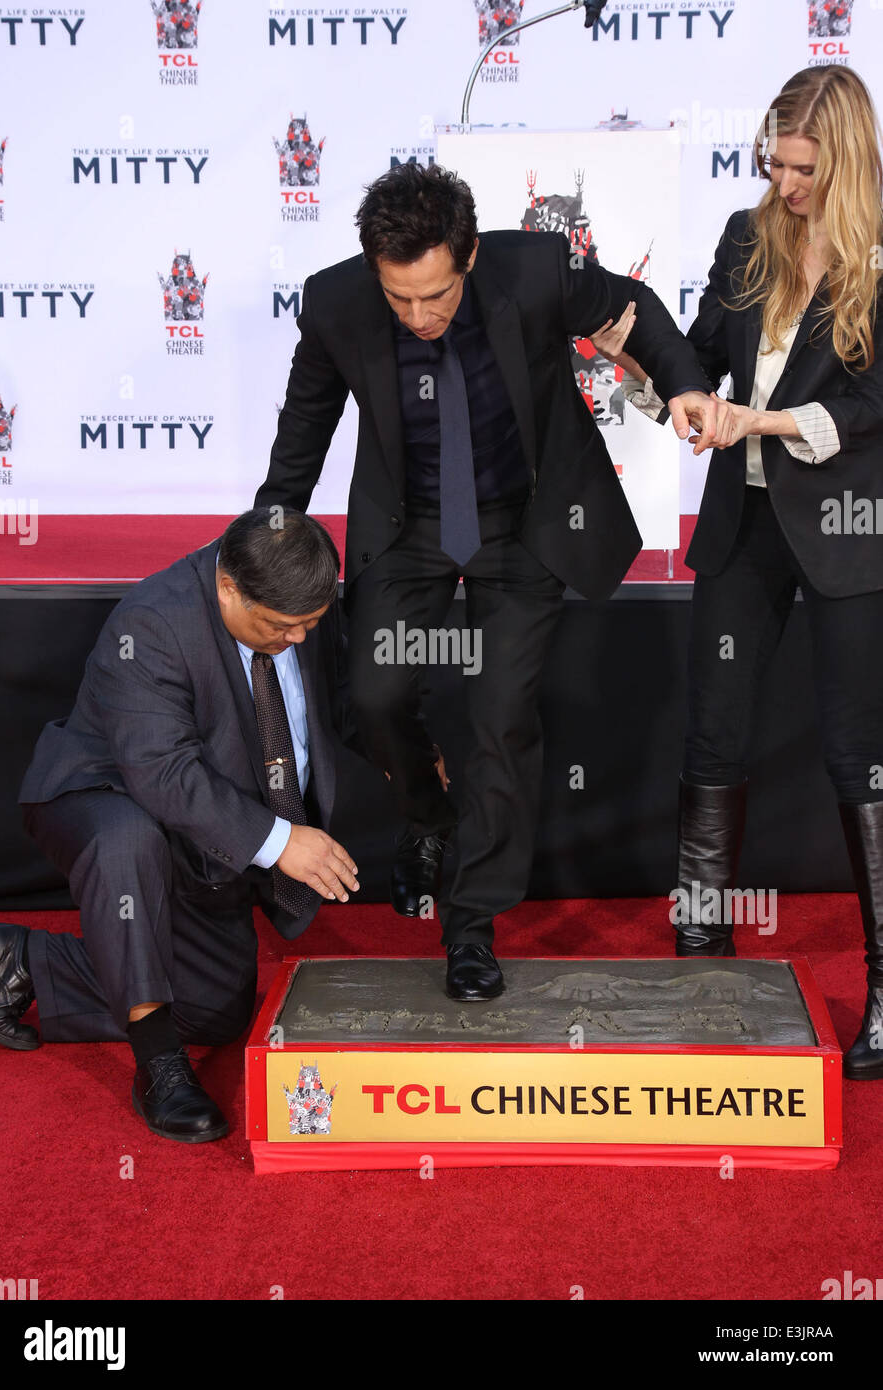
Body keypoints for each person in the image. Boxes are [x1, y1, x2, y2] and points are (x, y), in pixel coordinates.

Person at [255, 162, 719, 1002]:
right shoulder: (335, 305)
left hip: (527, 522)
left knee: (502, 718)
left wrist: (684, 382)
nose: (417, 316)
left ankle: (469, 925)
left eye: (433, 295)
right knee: (373, 696)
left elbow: (631, 312)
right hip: (409, 527)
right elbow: (304, 433)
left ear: (467, 258)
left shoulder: (534, 270)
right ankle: (429, 821)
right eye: (399, 298)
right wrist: (262, 542)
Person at [597, 65, 883, 1080]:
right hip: (745, 522)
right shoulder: (745, 236)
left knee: (861, 755)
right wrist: (674, 385)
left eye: (805, 167)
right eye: (777, 160)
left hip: (850, 528)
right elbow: (709, 352)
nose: (787, 181)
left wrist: (755, 420)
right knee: (712, 729)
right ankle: (701, 954)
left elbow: (864, 411)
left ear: (844, 161)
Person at [0, 508, 365, 1141]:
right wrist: (279, 840)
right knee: (126, 836)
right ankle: (160, 1068)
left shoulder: (295, 598)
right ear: (229, 587)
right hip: (100, 788)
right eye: (280, 627)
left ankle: (24, 958)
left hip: (201, 824)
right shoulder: (153, 623)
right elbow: (162, 770)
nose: (298, 640)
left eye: (310, 625)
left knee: (216, 1008)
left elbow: (340, 702)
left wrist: (417, 753)